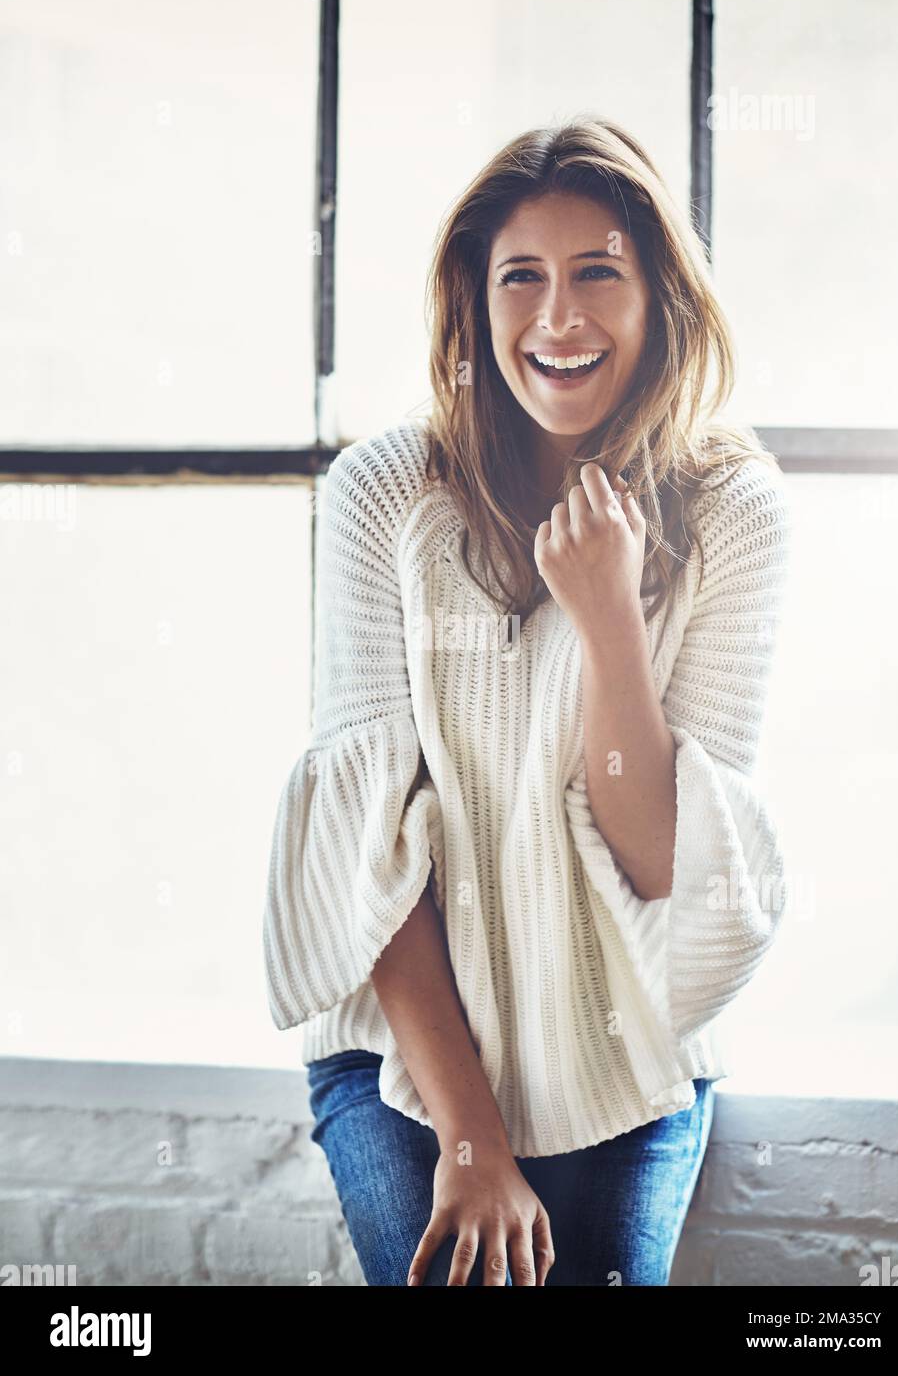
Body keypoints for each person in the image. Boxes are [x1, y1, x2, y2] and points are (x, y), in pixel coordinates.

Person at [263, 114, 793, 1286]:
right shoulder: (383, 493)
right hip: (409, 1054)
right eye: (522, 278)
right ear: (477, 301)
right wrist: (469, 1135)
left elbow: (663, 864)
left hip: (624, 1050)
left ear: (659, 296)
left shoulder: (734, 511)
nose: (558, 317)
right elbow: (371, 851)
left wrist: (607, 617)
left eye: (597, 272)